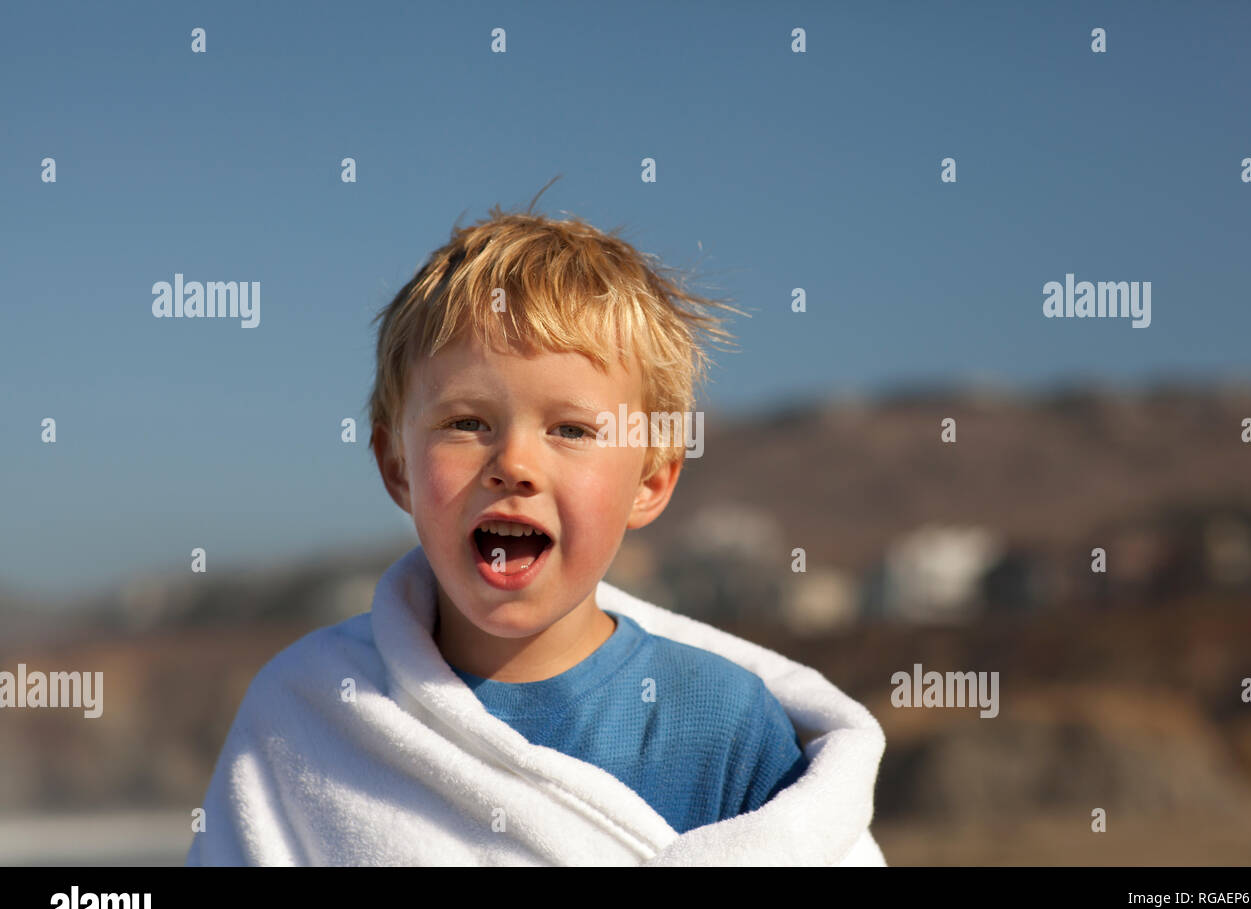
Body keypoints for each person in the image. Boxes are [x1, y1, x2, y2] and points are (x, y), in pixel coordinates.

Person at [186, 184, 886, 865]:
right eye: (467, 423)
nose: (513, 464)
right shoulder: (311, 712)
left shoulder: (720, 723)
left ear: (650, 481)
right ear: (397, 467)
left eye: (572, 430)